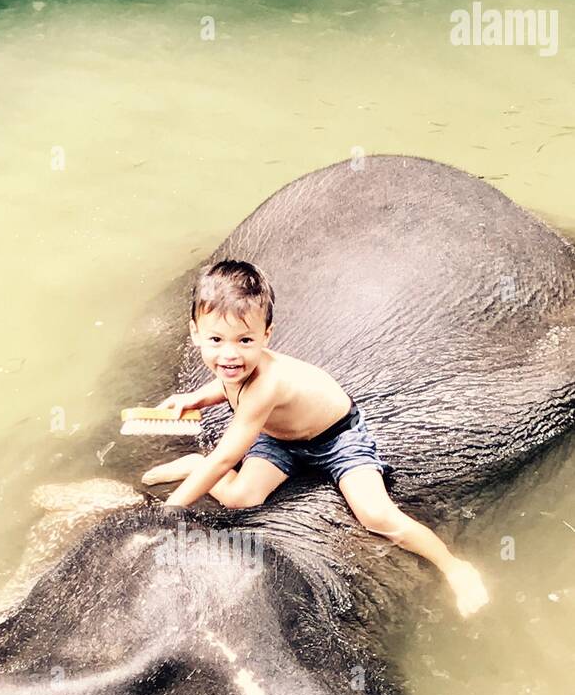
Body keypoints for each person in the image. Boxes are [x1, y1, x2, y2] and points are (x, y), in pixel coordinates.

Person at [141, 259, 488, 617]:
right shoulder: (233, 364)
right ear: (195, 332)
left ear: (266, 335)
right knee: (240, 498)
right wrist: (194, 399)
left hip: (337, 440)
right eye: (216, 340)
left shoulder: (267, 384)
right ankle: (195, 465)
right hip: (279, 439)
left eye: (245, 340)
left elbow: (227, 457)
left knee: (376, 515)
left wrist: (171, 509)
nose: (230, 354)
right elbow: (226, 381)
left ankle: (454, 566)